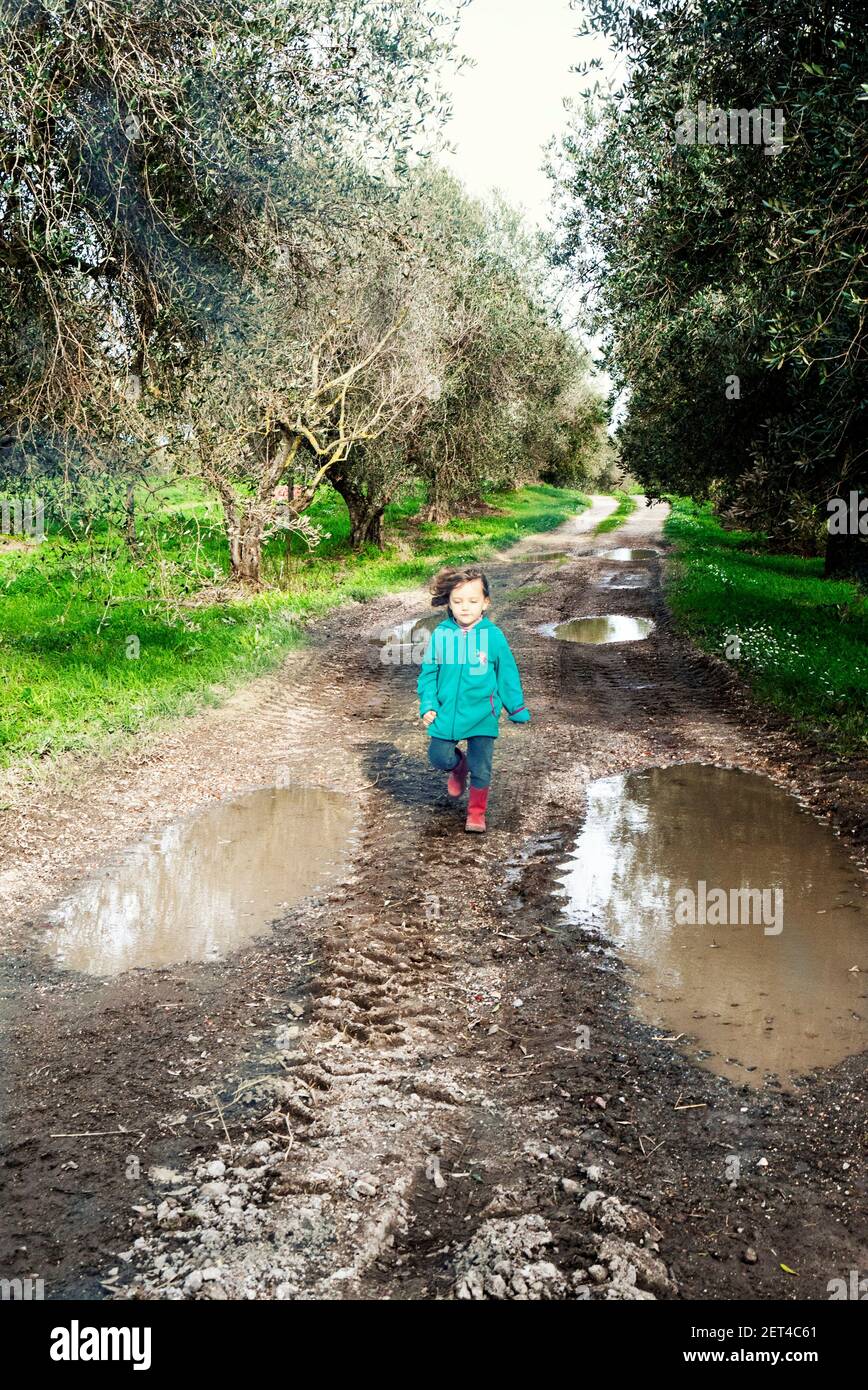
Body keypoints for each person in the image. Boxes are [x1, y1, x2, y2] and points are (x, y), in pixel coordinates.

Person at [417, 565, 530, 832]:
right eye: (457, 601)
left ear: (485, 603)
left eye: (472, 601)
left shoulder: (493, 636)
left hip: (482, 712)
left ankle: (476, 813)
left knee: (482, 767)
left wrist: (516, 707)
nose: (465, 607)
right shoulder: (442, 635)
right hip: (447, 712)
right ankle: (459, 767)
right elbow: (428, 673)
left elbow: (507, 674)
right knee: (439, 757)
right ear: (449, 603)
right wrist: (428, 703)